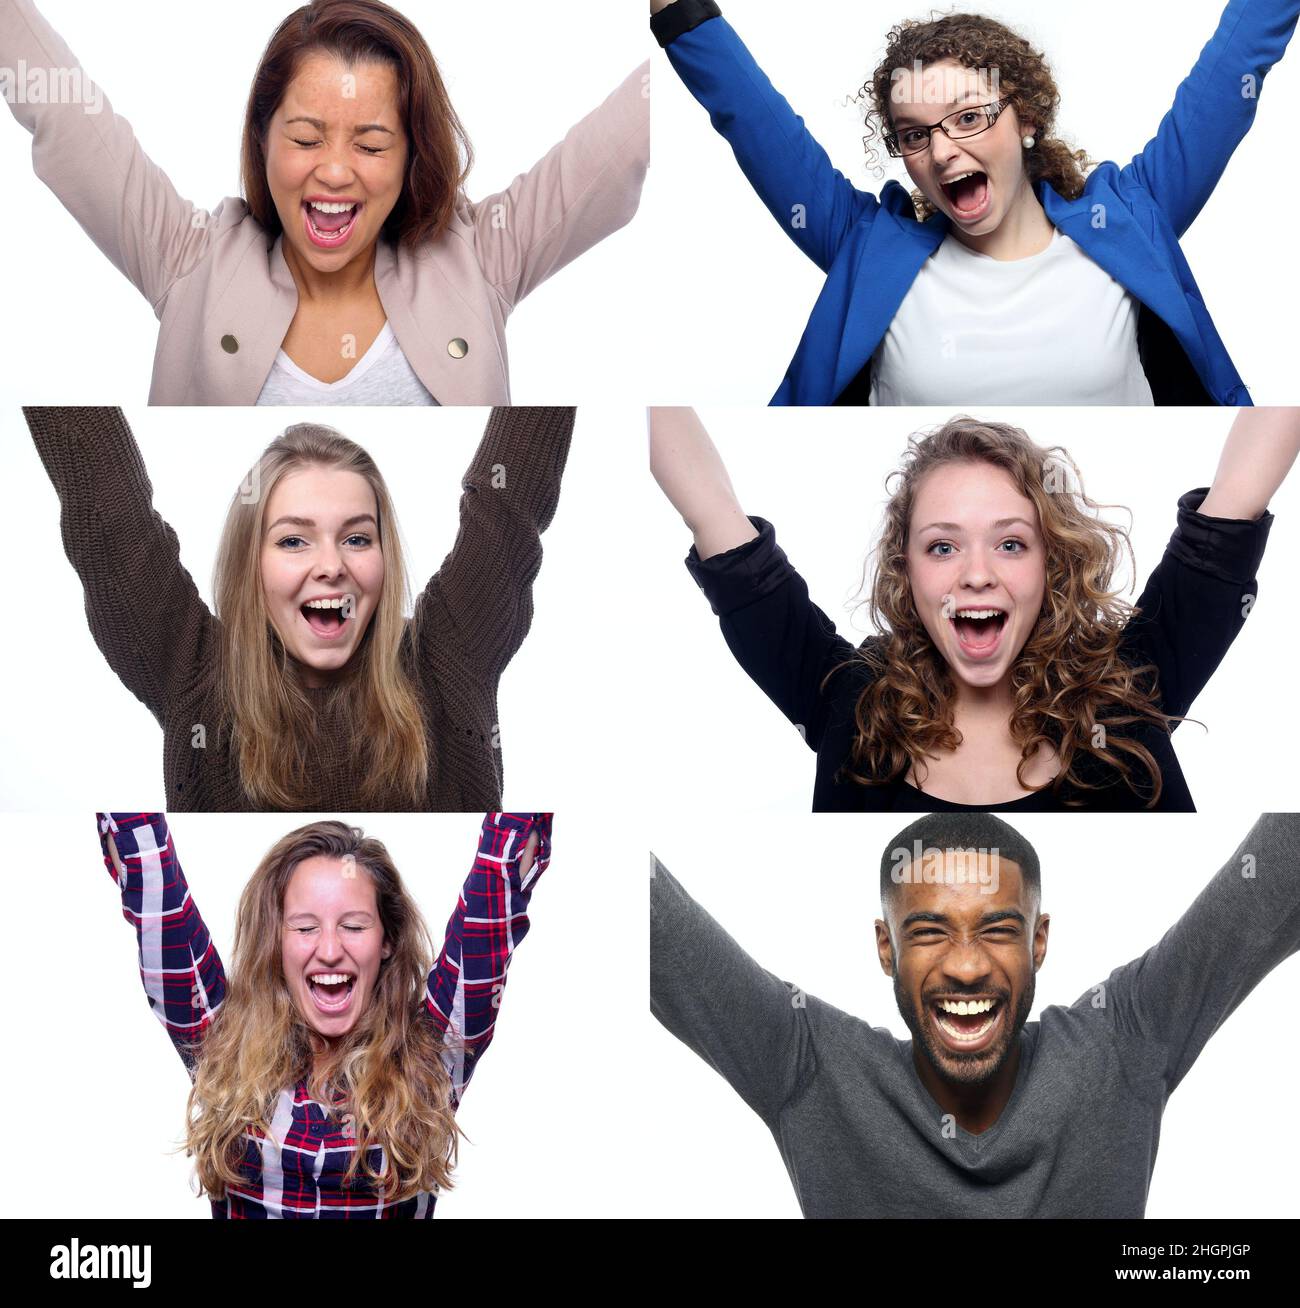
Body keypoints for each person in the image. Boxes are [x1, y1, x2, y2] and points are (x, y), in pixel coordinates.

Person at [648, 0, 1300, 405]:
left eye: (968, 117)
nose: (941, 152)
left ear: (1026, 119)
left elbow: (1231, 71)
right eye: (915, 134)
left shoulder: (1132, 217)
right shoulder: (868, 248)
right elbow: (753, 119)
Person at [650, 811, 1299, 1217]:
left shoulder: (1127, 1040)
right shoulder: (810, 1067)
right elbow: (656, 924)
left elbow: (1278, 866)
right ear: (887, 948)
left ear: (1038, 941)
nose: (966, 966)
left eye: (997, 929)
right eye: (930, 931)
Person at [649, 406, 1299, 810]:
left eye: (1011, 543)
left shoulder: (1131, 687)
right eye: (943, 546)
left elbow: (1241, 488)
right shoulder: (849, 705)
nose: (978, 574)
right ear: (907, 569)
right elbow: (713, 513)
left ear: (1052, 563)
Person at [0, 0, 649, 404]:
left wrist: (685, 25)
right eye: (307, 138)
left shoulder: (482, 255)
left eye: (371, 145)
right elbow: (63, 110)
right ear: (262, 137)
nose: (334, 171)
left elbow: (622, 141)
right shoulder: (187, 259)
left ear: (412, 156)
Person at [29, 405, 575, 810]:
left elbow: (509, 498)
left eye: (358, 538)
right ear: (252, 564)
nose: (330, 565)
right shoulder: (196, 674)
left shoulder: (447, 654)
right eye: (294, 540)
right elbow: (108, 505)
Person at [98, 810, 550, 1217]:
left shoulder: (433, 1056)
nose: (330, 950)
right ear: (274, 940)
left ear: (386, 940)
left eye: (353, 926)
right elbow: (151, 883)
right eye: (305, 927)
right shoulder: (224, 1042)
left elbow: (499, 884)